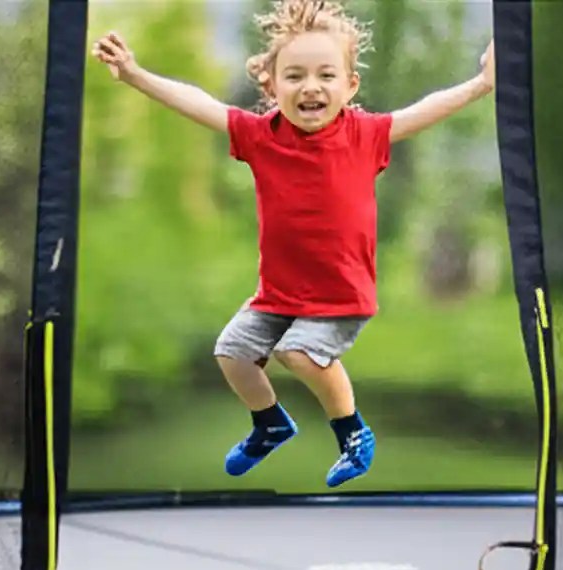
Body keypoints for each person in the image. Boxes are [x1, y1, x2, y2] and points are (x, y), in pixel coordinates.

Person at [91, 0, 495, 488]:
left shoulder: (365, 135)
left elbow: (423, 111)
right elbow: (201, 104)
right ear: (271, 86)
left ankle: (353, 433)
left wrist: (480, 85)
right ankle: (270, 423)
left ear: (351, 86)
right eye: (295, 76)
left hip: (339, 296)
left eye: (326, 75)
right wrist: (136, 75)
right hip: (280, 296)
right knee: (232, 352)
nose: (311, 87)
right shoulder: (261, 137)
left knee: (298, 354)